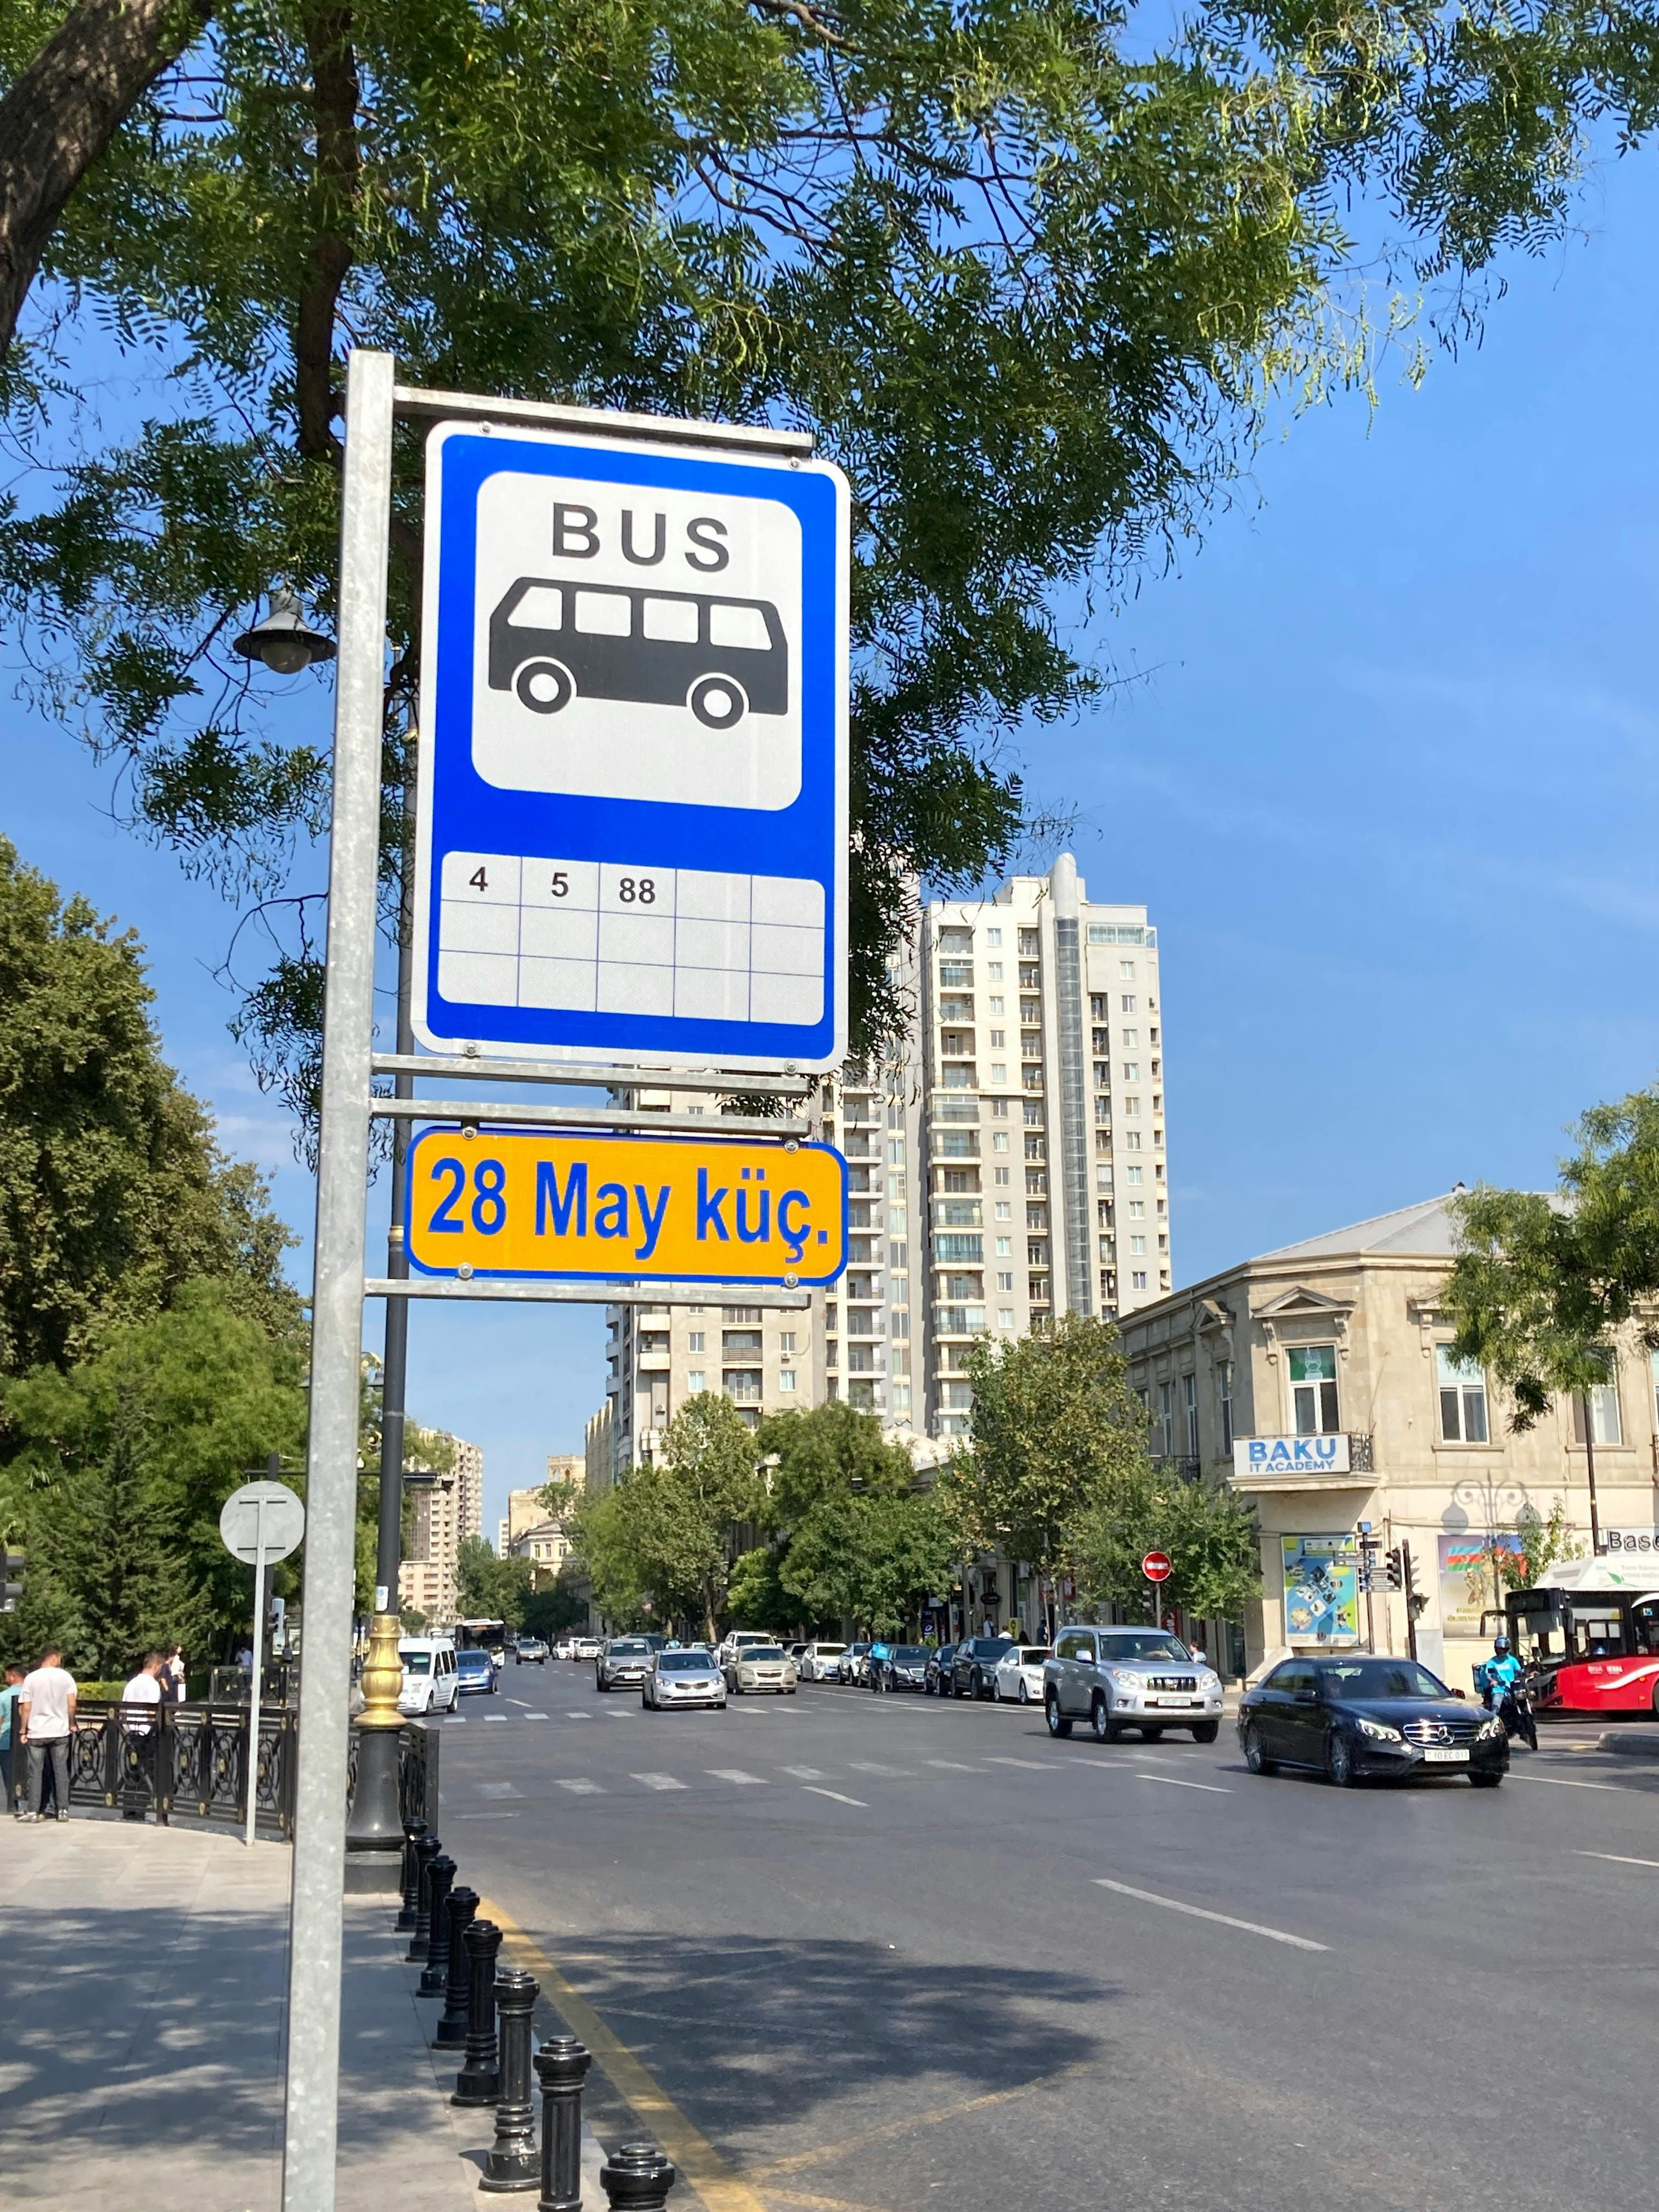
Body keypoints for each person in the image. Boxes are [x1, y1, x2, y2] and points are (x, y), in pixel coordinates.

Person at [18, 1644, 77, 1823]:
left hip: (37, 1732)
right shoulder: (66, 1677)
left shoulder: (31, 1679)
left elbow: (26, 1708)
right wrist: (72, 1722)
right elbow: (72, 1704)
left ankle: (34, 1811)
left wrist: (24, 1730)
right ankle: (63, 1811)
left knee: (35, 1772)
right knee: (61, 1772)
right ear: (54, 1657)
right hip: (59, 1731)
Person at [0, 1662, 23, 1814]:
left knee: (10, 1776)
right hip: (29, 1742)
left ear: (13, 1676)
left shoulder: (3, 1696)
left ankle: (14, 1806)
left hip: (6, 1742)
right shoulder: (33, 1694)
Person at [1482, 1633, 1523, 1710]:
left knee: (1522, 1705)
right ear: (1496, 1649)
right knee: (1495, 1709)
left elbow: (1519, 1671)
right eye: (1501, 1649)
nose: (1503, 1652)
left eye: (1505, 1650)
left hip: (1513, 1689)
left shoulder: (1512, 1660)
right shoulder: (1492, 1662)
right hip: (1499, 1689)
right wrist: (1493, 1681)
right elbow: (1489, 1674)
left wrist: (1524, 1674)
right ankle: (1494, 1721)